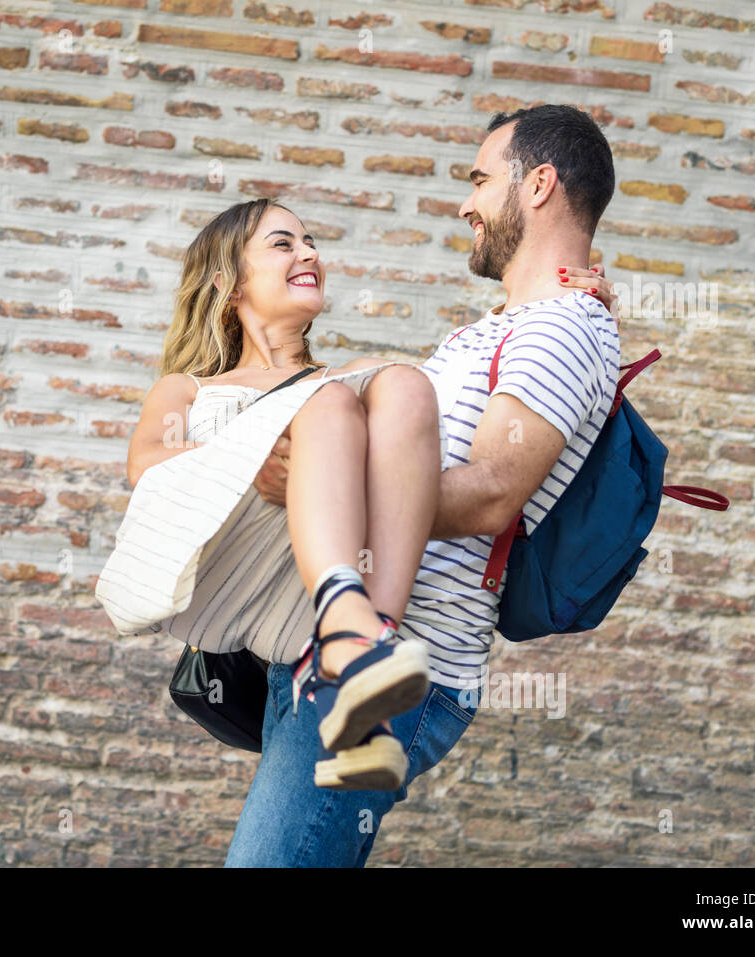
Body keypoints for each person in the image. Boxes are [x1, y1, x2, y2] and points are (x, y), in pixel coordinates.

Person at [96, 189, 614, 795]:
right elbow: (147, 465)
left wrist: (570, 308)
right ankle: (349, 636)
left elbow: (420, 429)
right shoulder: (188, 388)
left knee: (399, 384)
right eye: (282, 243)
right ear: (227, 284)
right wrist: (250, 459)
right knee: (335, 402)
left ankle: (365, 651)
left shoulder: (336, 382)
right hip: (226, 577)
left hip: (308, 595)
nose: (307, 251)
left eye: (310, 240)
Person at [223, 104, 624, 866]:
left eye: (480, 180)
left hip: (402, 659)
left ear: (537, 186)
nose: (465, 202)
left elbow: (493, 491)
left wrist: (316, 486)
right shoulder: (503, 326)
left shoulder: (565, 325)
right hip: (340, 651)